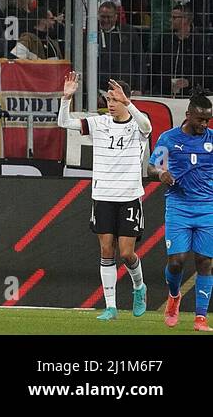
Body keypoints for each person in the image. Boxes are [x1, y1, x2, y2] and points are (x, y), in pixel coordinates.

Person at [57, 72, 150, 322]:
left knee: (127, 253)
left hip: (129, 196)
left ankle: (139, 287)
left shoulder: (138, 124)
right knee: (106, 249)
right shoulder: (99, 123)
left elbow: (148, 128)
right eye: (108, 98)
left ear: (126, 100)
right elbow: (64, 123)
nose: (110, 103)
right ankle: (111, 307)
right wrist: (66, 98)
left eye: (115, 99)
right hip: (103, 195)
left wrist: (129, 103)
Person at [148, 93, 213, 331]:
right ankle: (174, 297)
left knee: (205, 261)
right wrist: (161, 173)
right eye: (200, 120)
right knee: (177, 262)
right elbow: (152, 165)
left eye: (208, 120)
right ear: (188, 115)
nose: (204, 125)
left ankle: (200, 318)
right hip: (179, 207)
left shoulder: (212, 139)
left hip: (207, 207)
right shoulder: (169, 139)